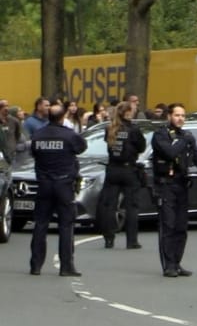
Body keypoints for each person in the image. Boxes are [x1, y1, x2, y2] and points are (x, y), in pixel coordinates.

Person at [150, 103, 197, 277]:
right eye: (177, 115)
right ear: (169, 116)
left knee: (181, 226)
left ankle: (177, 262)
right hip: (166, 185)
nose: (180, 119)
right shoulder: (161, 135)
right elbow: (170, 153)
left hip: (182, 184)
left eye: (183, 116)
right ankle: (168, 265)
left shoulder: (186, 136)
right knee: (169, 225)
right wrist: (183, 141)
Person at [28, 103, 86, 276]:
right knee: (66, 226)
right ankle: (66, 266)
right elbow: (81, 148)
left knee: (40, 224)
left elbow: (34, 153)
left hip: (44, 184)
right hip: (63, 185)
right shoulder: (69, 136)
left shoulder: (38, 135)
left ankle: (36, 265)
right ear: (63, 117)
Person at [96, 102, 147, 249]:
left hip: (112, 169)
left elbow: (108, 144)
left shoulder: (110, 128)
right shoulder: (133, 129)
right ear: (129, 113)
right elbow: (141, 147)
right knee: (132, 206)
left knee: (109, 205)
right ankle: (131, 240)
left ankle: (109, 238)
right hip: (128, 170)